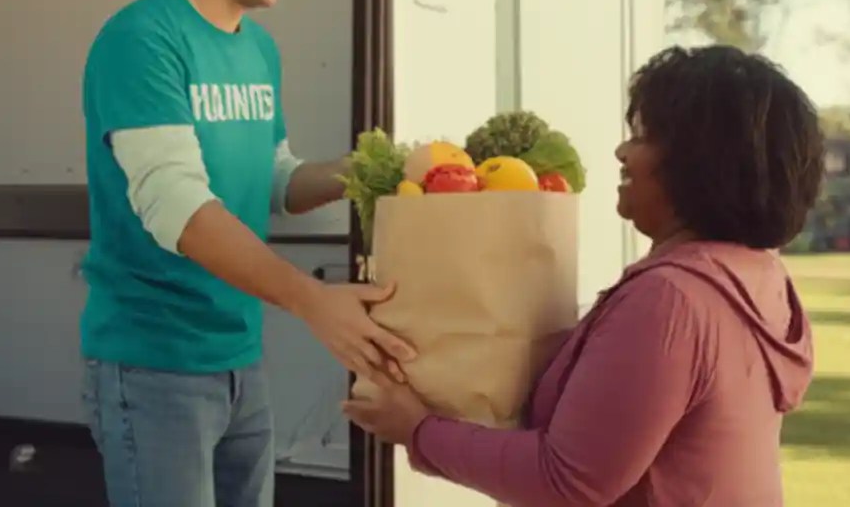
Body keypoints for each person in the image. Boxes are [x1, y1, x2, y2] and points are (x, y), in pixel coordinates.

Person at [79, 0, 415, 507]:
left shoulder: (259, 51)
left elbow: (274, 180)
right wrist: (312, 301)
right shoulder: (143, 40)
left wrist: (372, 170)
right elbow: (177, 206)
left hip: (240, 360)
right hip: (154, 365)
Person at [343, 44, 823, 506]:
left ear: (698, 163)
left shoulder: (671, 299)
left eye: (642, 135)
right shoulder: (759, 274)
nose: (621, 151)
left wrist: (417, 429)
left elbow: (569, 480)